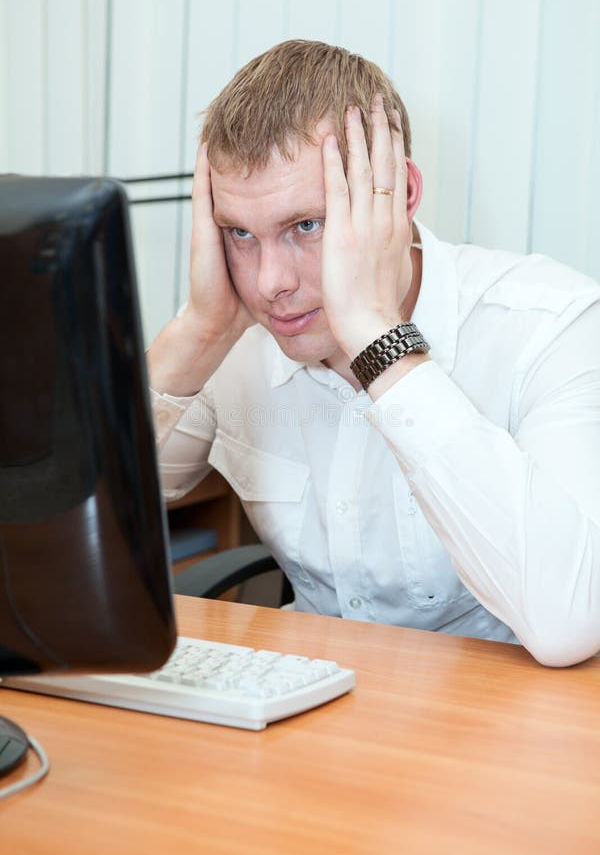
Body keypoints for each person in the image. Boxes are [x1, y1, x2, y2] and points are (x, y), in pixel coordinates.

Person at [148, 40, 600, 667]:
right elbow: (69, 523)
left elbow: (566, 623)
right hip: (306, 708)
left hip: (507, 725)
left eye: (306, 225)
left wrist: (376, 338)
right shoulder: (235, 325)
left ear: (402, 194)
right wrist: (198, 332)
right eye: (240, 233)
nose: (270, 280)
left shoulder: (552, 326)